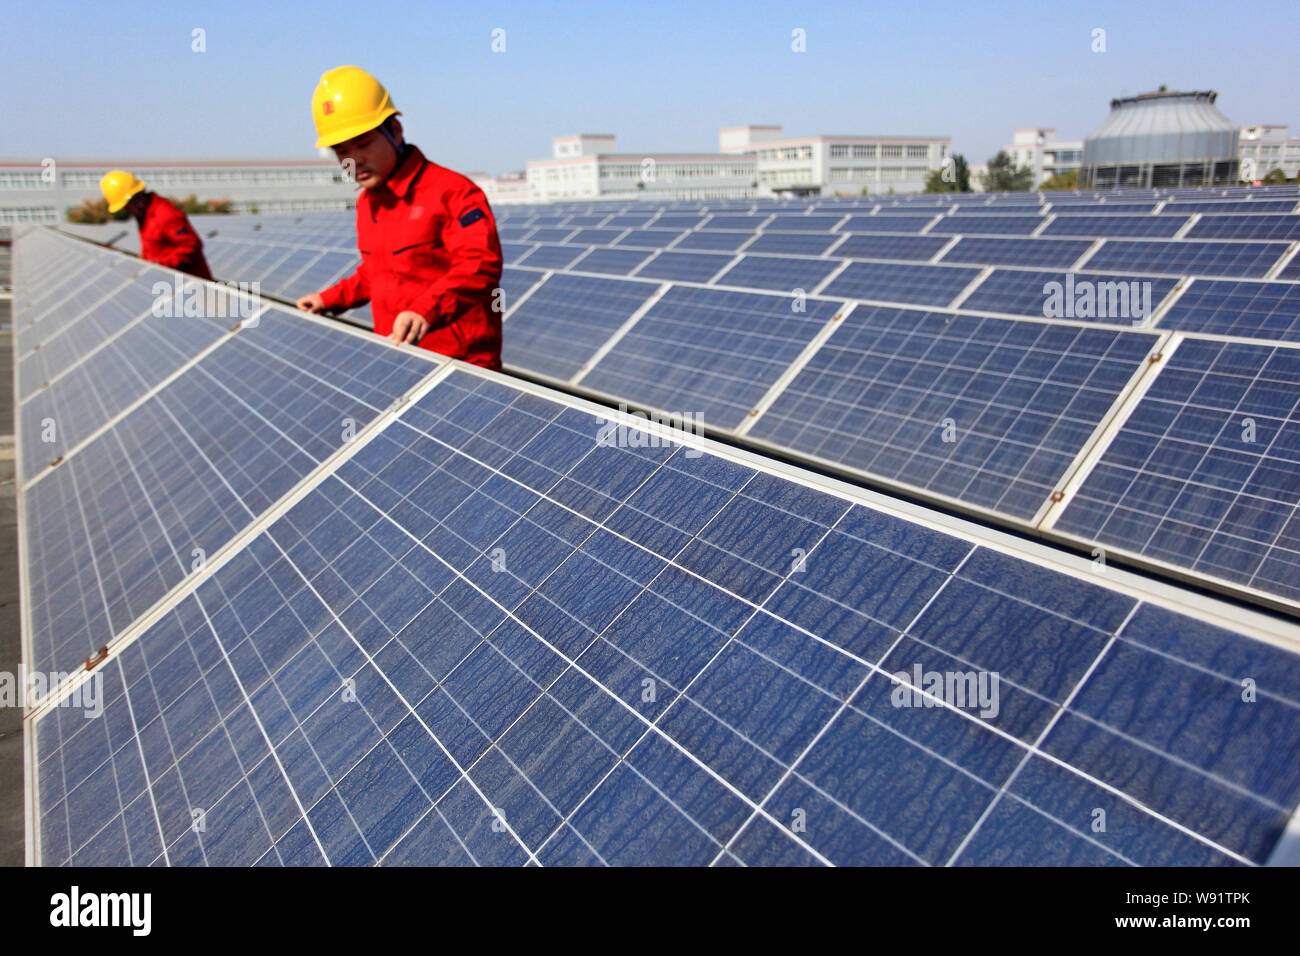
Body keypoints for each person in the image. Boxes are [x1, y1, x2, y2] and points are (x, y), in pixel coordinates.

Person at [296, 65, 504, 370]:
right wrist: (328, 299)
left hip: (461, 369)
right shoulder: (368, 202)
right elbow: (376, 273)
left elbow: (479, 265)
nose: (354, 160)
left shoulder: (453, 192)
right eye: (342, 151)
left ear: (394, 131)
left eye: (363, 144)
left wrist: (425, 311)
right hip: (398, 359)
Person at [98, 171, 214, 280]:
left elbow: (191, 244)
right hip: (168, 283)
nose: (126, 210)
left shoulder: (165, 215)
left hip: (192, 285)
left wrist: (161, 266)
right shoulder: (145, 216)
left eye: (125, 206)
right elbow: (154, 247)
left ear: (136, 199)